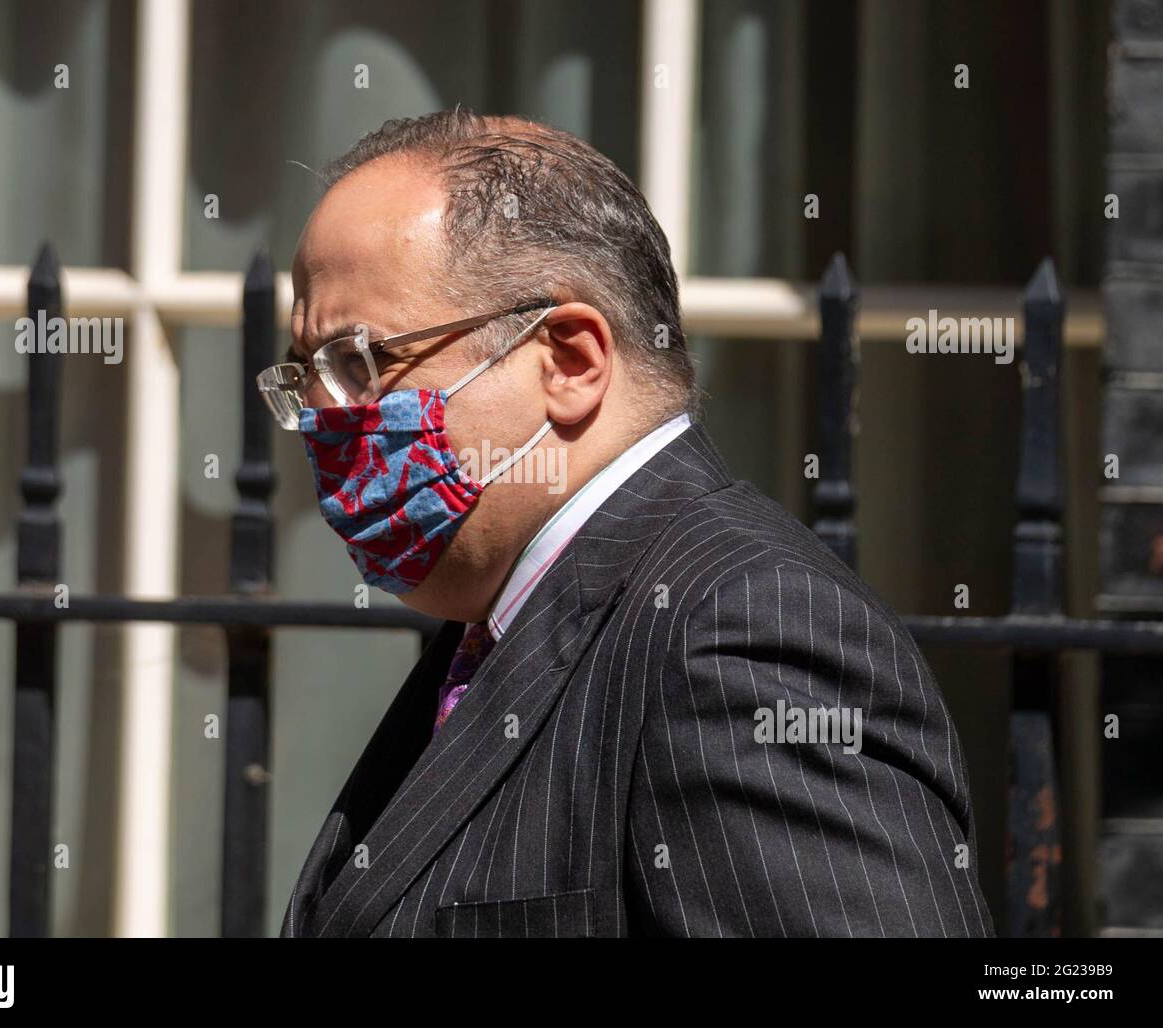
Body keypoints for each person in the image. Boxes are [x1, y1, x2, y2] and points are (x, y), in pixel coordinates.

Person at [259, 108, 993, 938]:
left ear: (570, 360)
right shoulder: (501, 626)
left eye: (360, 362)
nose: (324, 414)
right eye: (306, 376)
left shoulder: (737, 633)